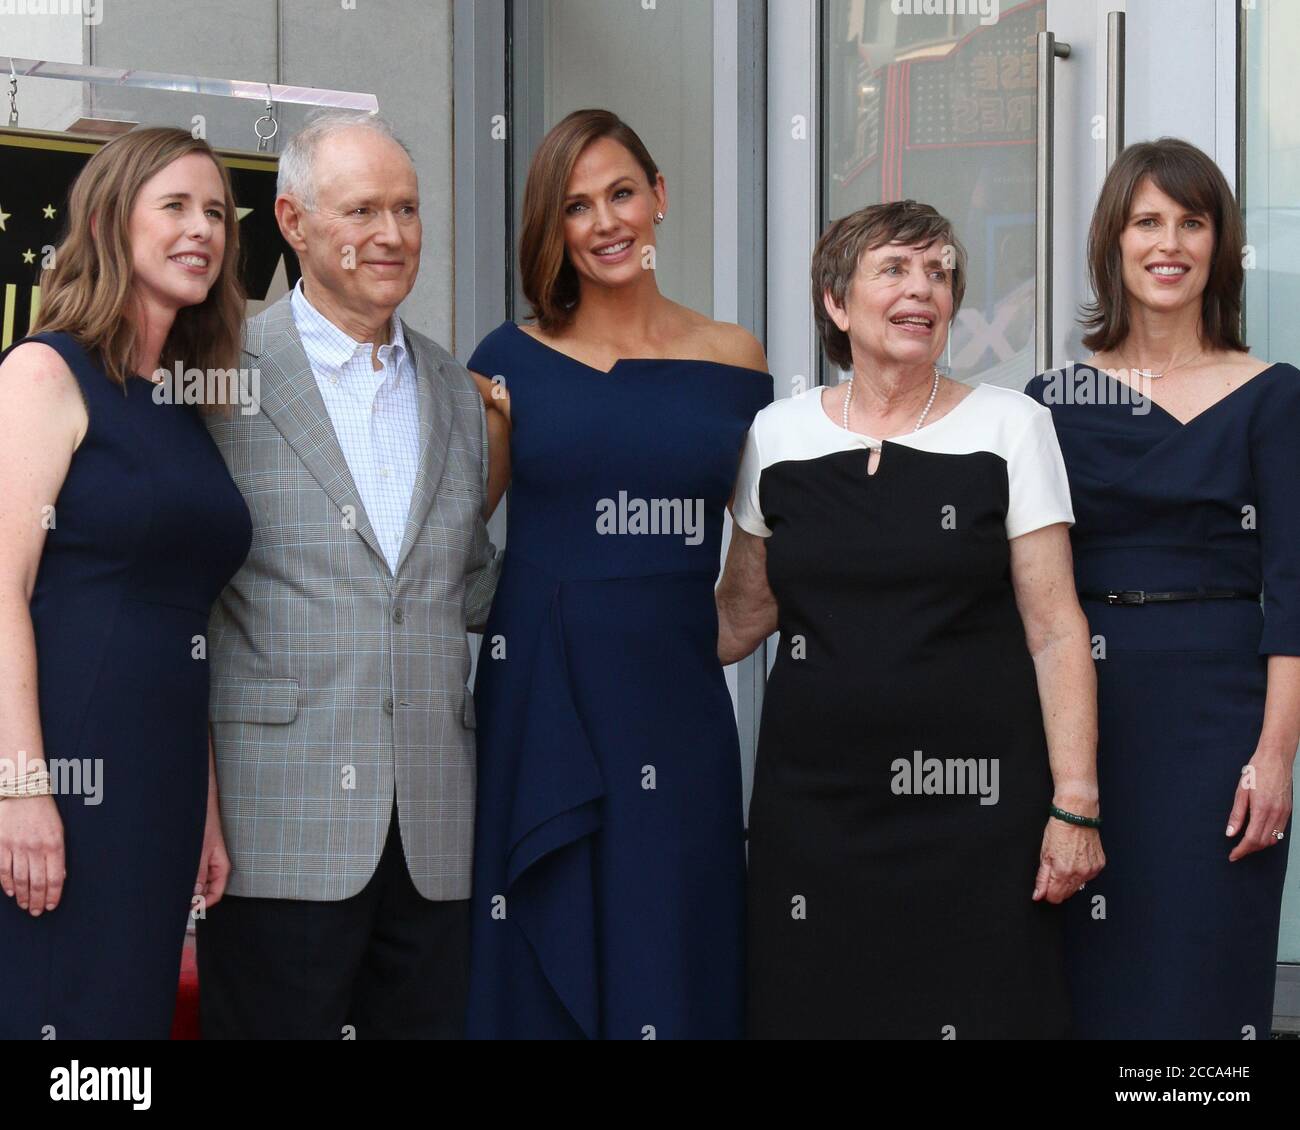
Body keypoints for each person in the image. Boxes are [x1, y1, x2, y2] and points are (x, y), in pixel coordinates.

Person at [719, 200, 1104, 1039]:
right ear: (835, 300)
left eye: (939, 272)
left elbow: (1055, 629)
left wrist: (1075, 805)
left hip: (976, 812)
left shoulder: (1012, 427)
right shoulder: (775, 436)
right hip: (812, 816)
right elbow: (738, 619)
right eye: (895, 268)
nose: (922, 289)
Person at [465, 108, 772, 1039]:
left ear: (660, 198)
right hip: (539, 700)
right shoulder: (505, 362)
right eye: (575, 206)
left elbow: (759, 563)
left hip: (673, 712)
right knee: (535, 934)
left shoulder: (736, 359)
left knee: (670, 932)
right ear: (551, 229)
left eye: (621, 193)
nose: (605, 223)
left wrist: (683, 639)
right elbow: (445, 545)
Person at [195, 111, 501, 1039]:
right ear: (292, 221)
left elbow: (466, 586)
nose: (392, 234)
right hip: (274, 828)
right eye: (361, 209)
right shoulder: (216, 373)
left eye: (406, 209)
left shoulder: (460, 388)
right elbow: (180, 592)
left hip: (436, 832)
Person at [1026, 137, 1299, 1039]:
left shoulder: (1274, 396)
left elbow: (1293, 589)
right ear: (1115, 241)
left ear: (1219, 246)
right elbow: (1025, 593)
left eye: (1191, 221)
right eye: (1147, 221)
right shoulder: (1050, 402)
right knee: (1088, 984)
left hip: (1221, 719)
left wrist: (1276, 756)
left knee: (1205, 983)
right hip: (1083, 723)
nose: (1169, 242)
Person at [0, 127, 251, 1038]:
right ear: (110, 221)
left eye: (217, 212)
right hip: (59, 768)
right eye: (175, 206)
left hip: (162, 784)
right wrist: (20, 788)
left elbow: (192, 623)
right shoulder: (43, 373)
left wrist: (209, 810)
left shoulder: (184, 404)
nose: (203, 230)